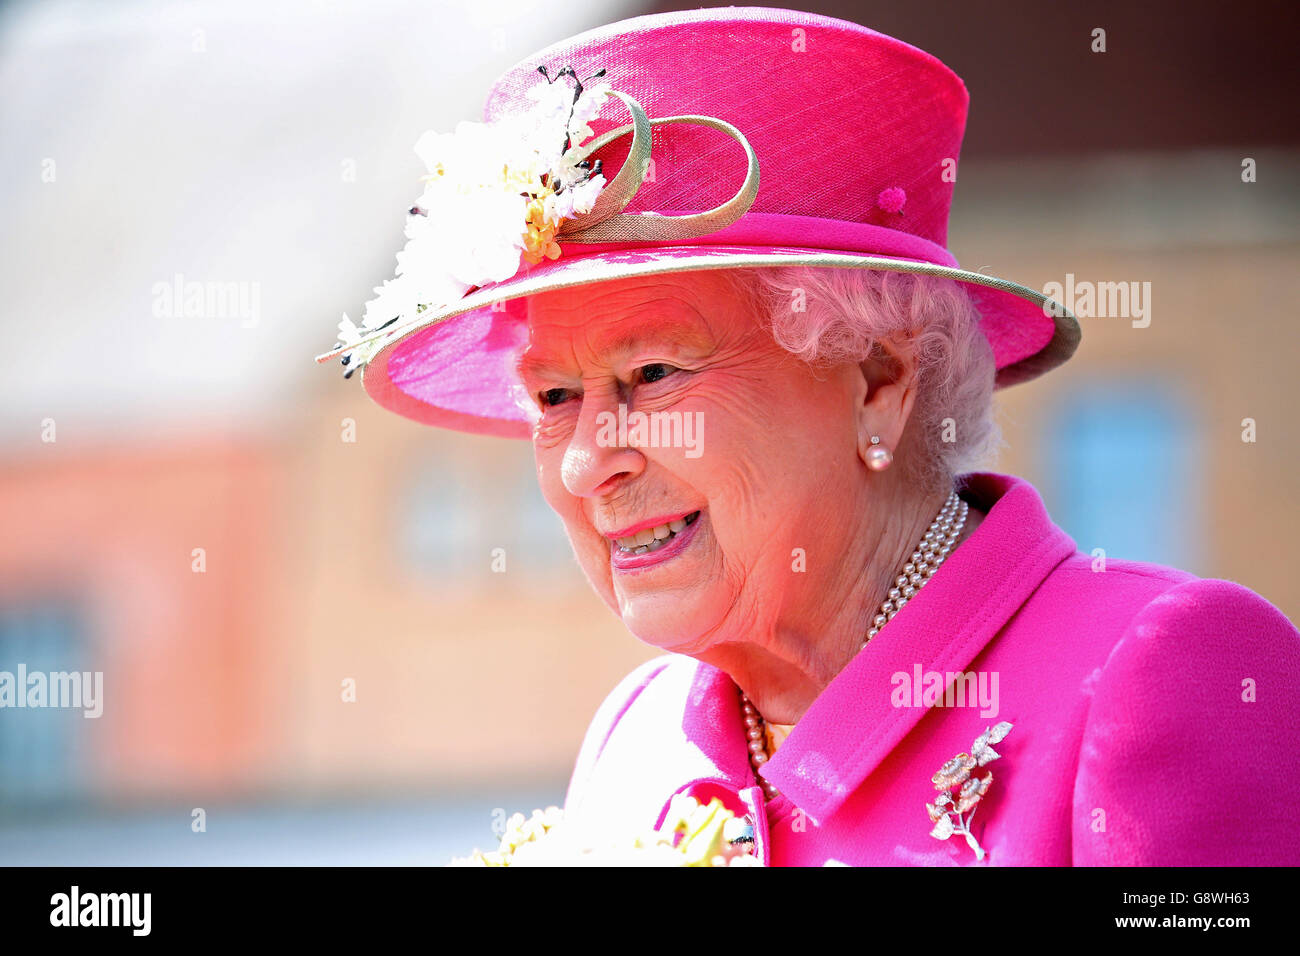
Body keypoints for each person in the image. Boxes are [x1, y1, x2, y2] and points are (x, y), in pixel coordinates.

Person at [319, 7, 1300, 865]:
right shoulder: (638, 735)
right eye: (554, 397)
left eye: (653, 374)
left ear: (876, 382)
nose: (585, 462)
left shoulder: (1161, 669)